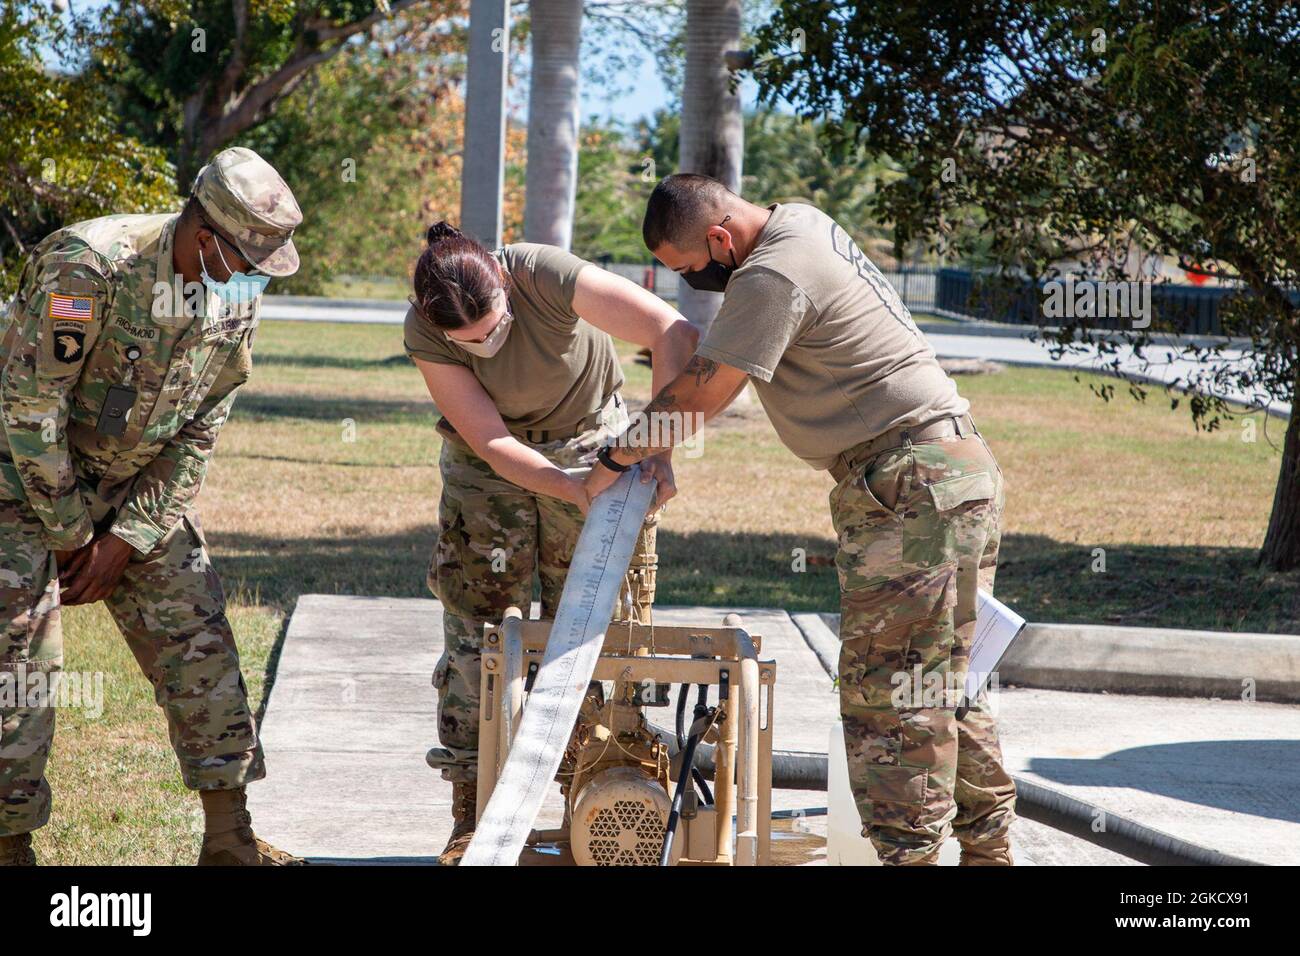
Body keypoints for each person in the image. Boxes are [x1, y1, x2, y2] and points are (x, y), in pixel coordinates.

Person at [586, 173, 1017, 866]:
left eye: (695, 271)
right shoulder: (804, 223)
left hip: (909, 483)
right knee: (939, 681)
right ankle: (988, 854)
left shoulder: (770, 272)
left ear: (721, 238)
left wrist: (614, 456)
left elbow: (703, 392)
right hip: (949, 470)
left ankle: (913, 859)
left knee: (892, 700)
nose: (698, 286)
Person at [0, 147, 305, 866]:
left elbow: (204, 420)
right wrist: (74, 534)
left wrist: (130, 536)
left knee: (200, 641)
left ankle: (230, 839)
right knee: (20, 668)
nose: (254, 283)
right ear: (203, 236)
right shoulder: (88, 267)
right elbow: (30, 408)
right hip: (18, 483)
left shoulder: (235, 284)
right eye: (246, 264)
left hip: (133, 487)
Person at [405, 222, 697, 864]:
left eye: (495, 326)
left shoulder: (544, 274)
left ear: (505, 286)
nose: (488, 344)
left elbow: (673, 333)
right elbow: (490, 442)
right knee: (477, 634)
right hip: (490, 468)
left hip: (597, 441)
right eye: (470, 343)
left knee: (598, 626)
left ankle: (596, 802)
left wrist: (658, 450)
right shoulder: (425, 328)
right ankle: (471, 815)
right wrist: (570, 489)